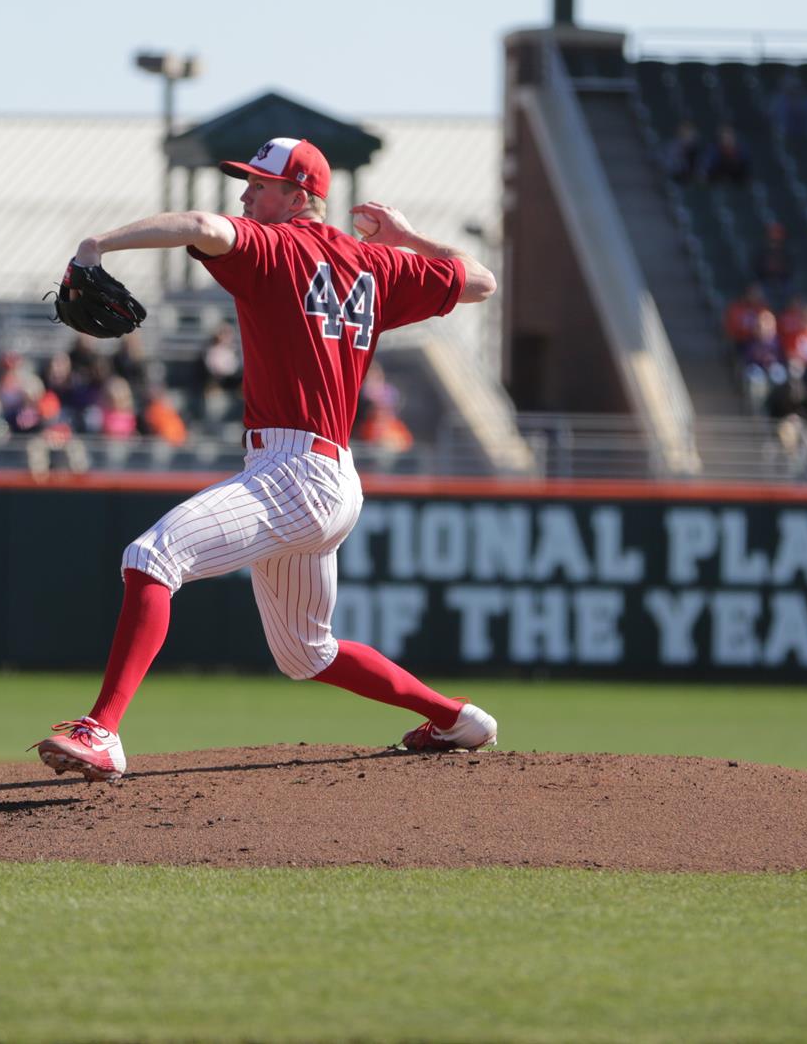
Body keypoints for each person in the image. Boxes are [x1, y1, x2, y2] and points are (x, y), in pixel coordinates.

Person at [33, 137, 501, 782]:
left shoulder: (275, 246)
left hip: (294, 471)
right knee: (305, 651)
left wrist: (97, 245)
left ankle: (103, 730)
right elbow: (482, 281)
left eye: (260, 184)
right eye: (247, 183)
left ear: (300, 195)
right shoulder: (377, 264)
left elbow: (199, 226)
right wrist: (410, 238)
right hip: (332, 479)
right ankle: (456, 718)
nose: (247, 195)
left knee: (151, 556)